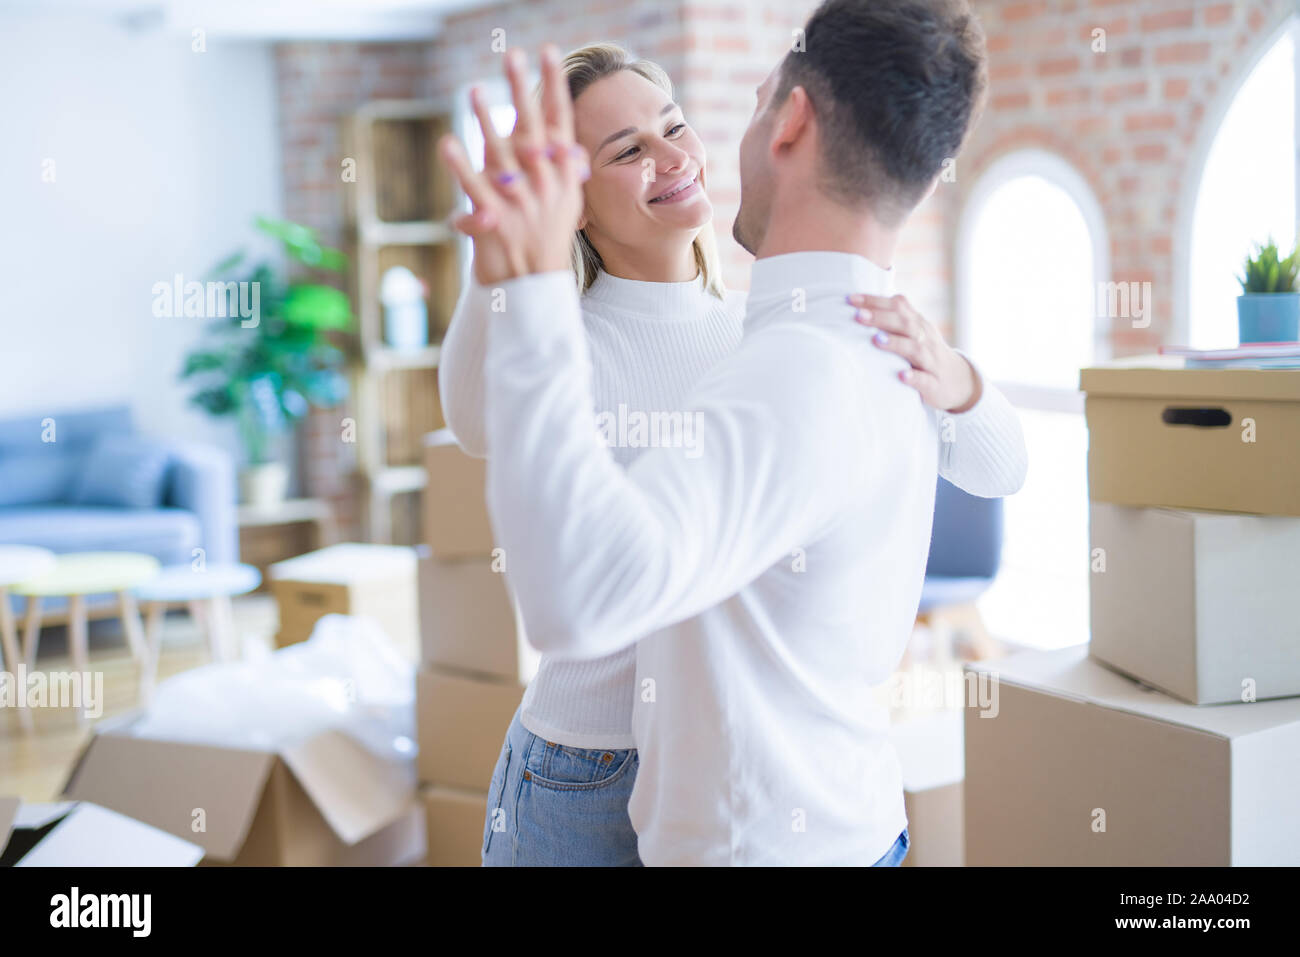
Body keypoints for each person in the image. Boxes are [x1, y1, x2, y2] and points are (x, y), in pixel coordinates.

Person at [439, 1, 1022, 865]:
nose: (671, 157)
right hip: (588, 762)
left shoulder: (766, 340)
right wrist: (510, 271)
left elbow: (999, 461)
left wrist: (961, 379)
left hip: (705, 765)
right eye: (627, 150)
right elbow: (476, 419)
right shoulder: (567, 337)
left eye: (673, 127)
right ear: (575, 200)